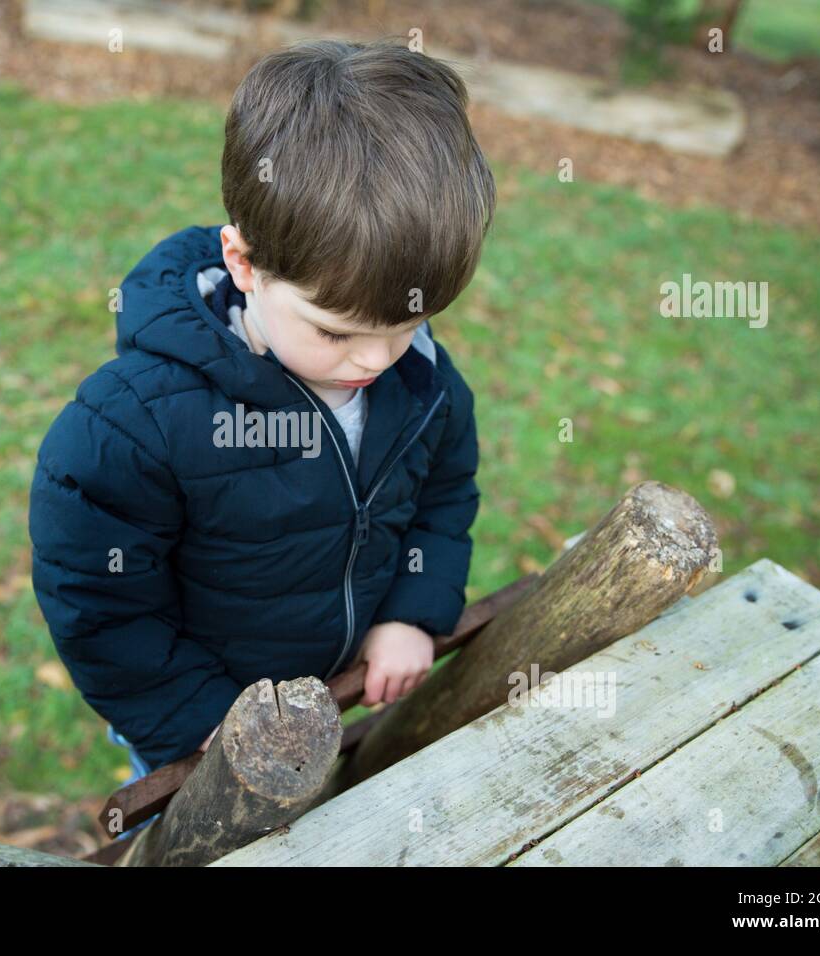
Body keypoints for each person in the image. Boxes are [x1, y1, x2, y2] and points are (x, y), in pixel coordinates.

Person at [29, 37, 495, 840]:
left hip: (344, 691)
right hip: (205, 732)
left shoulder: (421, 384)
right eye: (337, 331)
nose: (377, 359)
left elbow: (442, 498)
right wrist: (199, 716)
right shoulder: (137, 424)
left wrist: (412, 612)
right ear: (243, 263)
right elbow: (100, 598)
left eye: (410, 322)